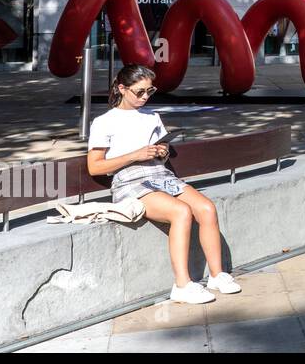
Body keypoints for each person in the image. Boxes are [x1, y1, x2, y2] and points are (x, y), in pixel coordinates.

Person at [86, 65, 242, 305]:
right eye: (139, 92)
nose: (145, 97)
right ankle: (182, 285)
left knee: (206, 208)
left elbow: (160, 153)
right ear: (121, 88)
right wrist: (134, 155)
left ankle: (217, 275)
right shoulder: (104, 122)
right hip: (129, 181)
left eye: (150, 91)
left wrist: (162, 151)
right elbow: (95, 167)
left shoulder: (152, 117)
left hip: (160, 174)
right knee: (181, 212)